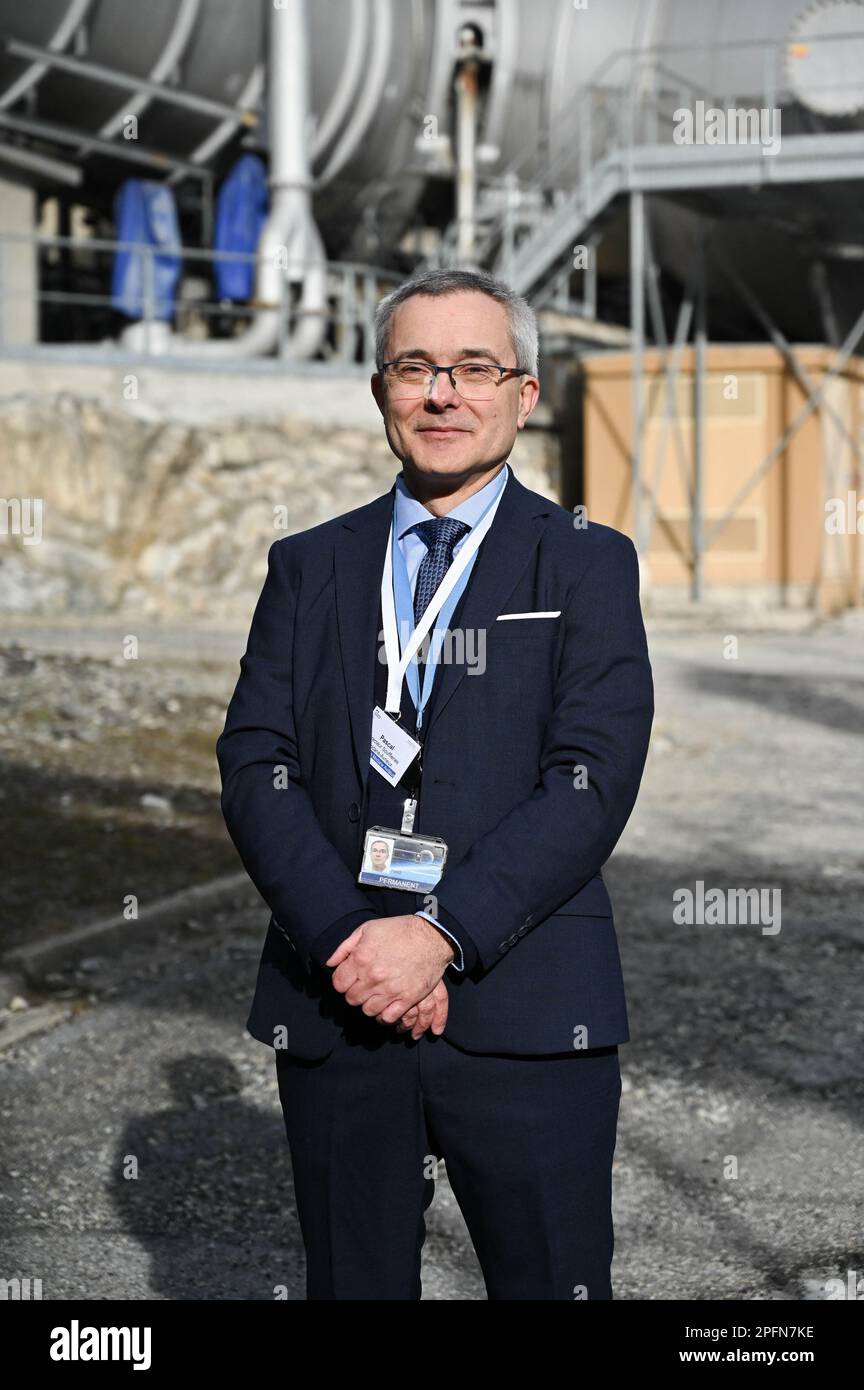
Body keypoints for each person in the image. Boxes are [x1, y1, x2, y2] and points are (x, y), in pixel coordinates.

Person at [216, 266, 654, 1300]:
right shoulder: (308, 565)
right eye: (415, 367)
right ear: (381, 391)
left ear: (523, 393)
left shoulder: (587, 563)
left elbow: (590, 779)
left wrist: (438, 935)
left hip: (526, 1009)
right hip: (343, 1004)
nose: (442, 393)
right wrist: (348, 940)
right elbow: (256, 761)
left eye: (472, 368)